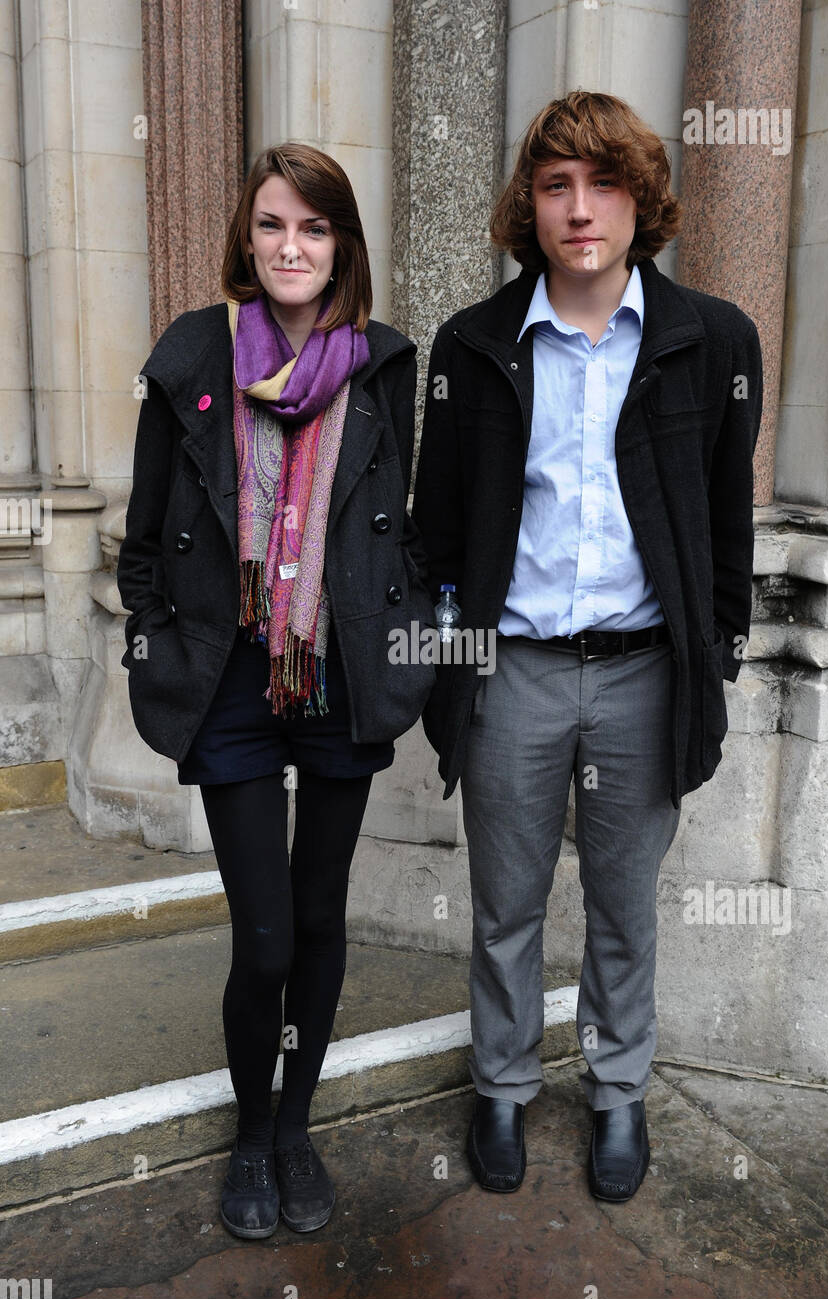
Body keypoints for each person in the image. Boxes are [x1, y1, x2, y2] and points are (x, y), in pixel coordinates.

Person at [412, 91, 763, 1202]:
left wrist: (714, 659)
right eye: (554, 184)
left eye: (602, 182)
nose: (578, 208)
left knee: (622, 900)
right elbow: (435, 523)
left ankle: (616, 1093)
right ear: (530, 204)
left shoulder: (709, 339)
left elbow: (722, 518)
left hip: (643, 670)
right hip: (512, 669)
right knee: (504, 900)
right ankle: (504, 1083)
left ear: (639, 199)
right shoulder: (472, 344)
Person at [117, 143, 435, 1239]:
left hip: (339, 673)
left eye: (312, 227)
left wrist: (416, 640)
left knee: (318, 916)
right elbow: (146, 536)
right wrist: (154, 643)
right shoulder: (194, 354)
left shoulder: (383, 365)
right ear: (245, 240)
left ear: (340, 242)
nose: (291, 247)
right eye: (271, 226)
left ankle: (297, 1127)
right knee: (262, 938)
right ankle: (251, 1130)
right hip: (232, 681)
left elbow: (408, 531)